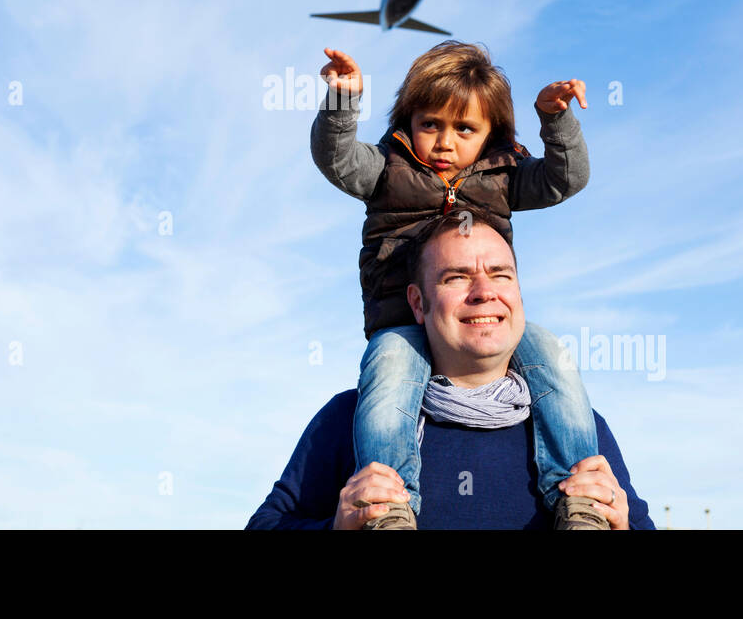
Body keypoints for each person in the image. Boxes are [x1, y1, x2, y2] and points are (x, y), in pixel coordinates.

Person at [309, 41, 603, 529]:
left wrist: (555, 122)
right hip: (403, 322)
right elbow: (336, 158)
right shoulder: (387, 169)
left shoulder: (502, 176)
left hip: (479, 322)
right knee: (388, 377)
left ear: (490, 135)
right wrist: (343, 102)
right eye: (431, 125)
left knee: (551, 354)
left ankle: (580, 497)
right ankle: (388, 506)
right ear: (410, 121)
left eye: (464, 129)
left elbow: (564, 179)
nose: (445, 142)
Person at [247, 211, 653, 529]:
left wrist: (622, 526)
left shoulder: (579, 425)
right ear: (418, 303)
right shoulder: (349, 418)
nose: (484, 292)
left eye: (501, 275)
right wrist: (337, 527)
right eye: (457, 277)